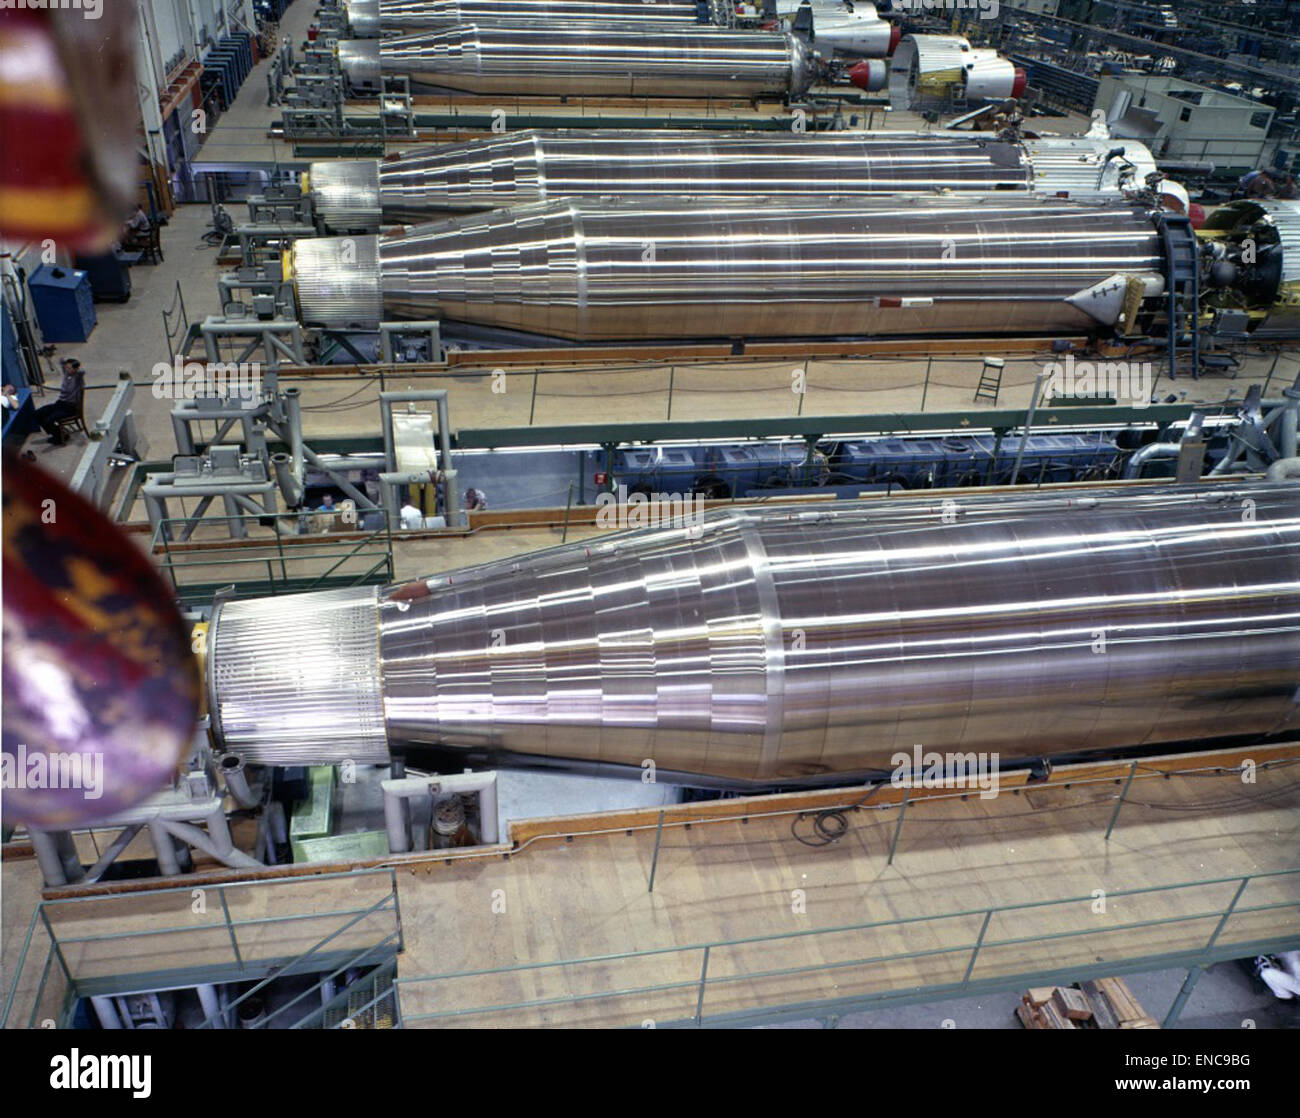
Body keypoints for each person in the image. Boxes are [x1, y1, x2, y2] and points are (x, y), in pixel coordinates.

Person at [34, 358, 84, 445]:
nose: (67, 370)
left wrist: (78, 369)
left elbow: (81, 373)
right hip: (60, 404)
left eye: (69, 368)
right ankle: (57, 433)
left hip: (70, 408)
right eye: (66, 368)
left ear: (75, 369)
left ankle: (61, 437)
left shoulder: (77, 380)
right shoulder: (66, 374)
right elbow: (63, 365)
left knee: (48, 420)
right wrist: (62, 362)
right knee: (38, 413)